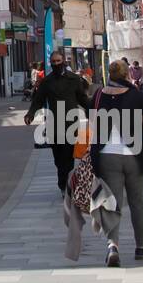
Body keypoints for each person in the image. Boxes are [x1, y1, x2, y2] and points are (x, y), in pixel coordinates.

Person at [92, 60, 143, 267]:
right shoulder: (137, 95)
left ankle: (113, 247)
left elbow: (94, 125)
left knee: (113, 203)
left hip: (107, 155)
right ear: (128, 74)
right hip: (135, 156)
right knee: (137, 202)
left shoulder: (99, 95)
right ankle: (140, 247)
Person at [25, 50, 90, 193]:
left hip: (71, 123)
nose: (56, 64)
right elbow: (38, 101)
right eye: (53, 62)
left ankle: (66, 187)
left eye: (58, 61)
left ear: (63, 62)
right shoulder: (46, 82)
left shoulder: (74, 79)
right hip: (53, 124)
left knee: (68, 157)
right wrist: (30, 114)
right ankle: (63, 182)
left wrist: (92, 111)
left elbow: (82, 98)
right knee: (58, 159)